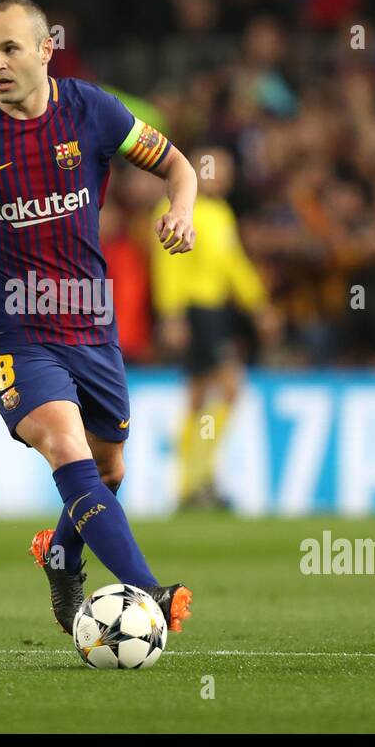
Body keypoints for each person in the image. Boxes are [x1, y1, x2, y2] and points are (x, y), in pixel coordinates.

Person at [0, 0, 196, 636]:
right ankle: (148, 594)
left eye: (8, 49)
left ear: (44, 49)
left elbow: (177, 166)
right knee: (65, 443)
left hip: (89, 322)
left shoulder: (93, 110)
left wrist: (183, 210)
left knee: (109, 468)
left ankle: (62, 556)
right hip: (14, 329)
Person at [151, 147, 275, 510]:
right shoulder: (174, 210)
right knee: (229, 388)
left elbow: (235, 265)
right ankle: (198, 479)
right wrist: (171, 315)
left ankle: (193, 484)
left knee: (198, 396)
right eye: (217, 168)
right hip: (197, 313)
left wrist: (259, 305)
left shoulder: (220, 213)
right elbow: (166, 266)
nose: (225, 176)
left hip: (217, 312)